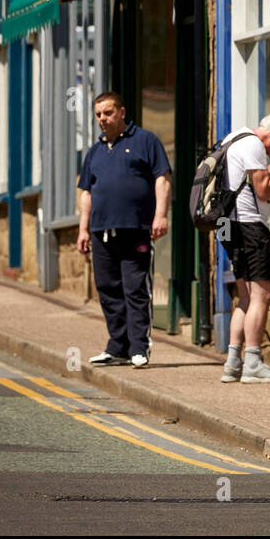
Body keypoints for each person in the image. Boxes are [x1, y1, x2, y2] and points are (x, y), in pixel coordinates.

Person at [76, 92, 173, 369]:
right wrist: (84, 229)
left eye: (107, 113)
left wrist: (160, 215)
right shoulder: (95, 151)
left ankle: (139, 347)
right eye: (98, 115)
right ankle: (117, 346)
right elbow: (87, 193)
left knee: (135, 288)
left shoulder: (145, 141)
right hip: (101, 230)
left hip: (136, 229)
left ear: (121, 112)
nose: (102, 120)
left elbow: (162, 180)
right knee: (108, 289)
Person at [219, 111, 270, 384]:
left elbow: (246, 182)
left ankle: (233, 362)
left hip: (229, 225)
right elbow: (264, 191)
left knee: (244, 294)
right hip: (250, 227)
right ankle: (253, 361)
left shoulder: (235, 137)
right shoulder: (255, 144)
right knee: (262, 294)